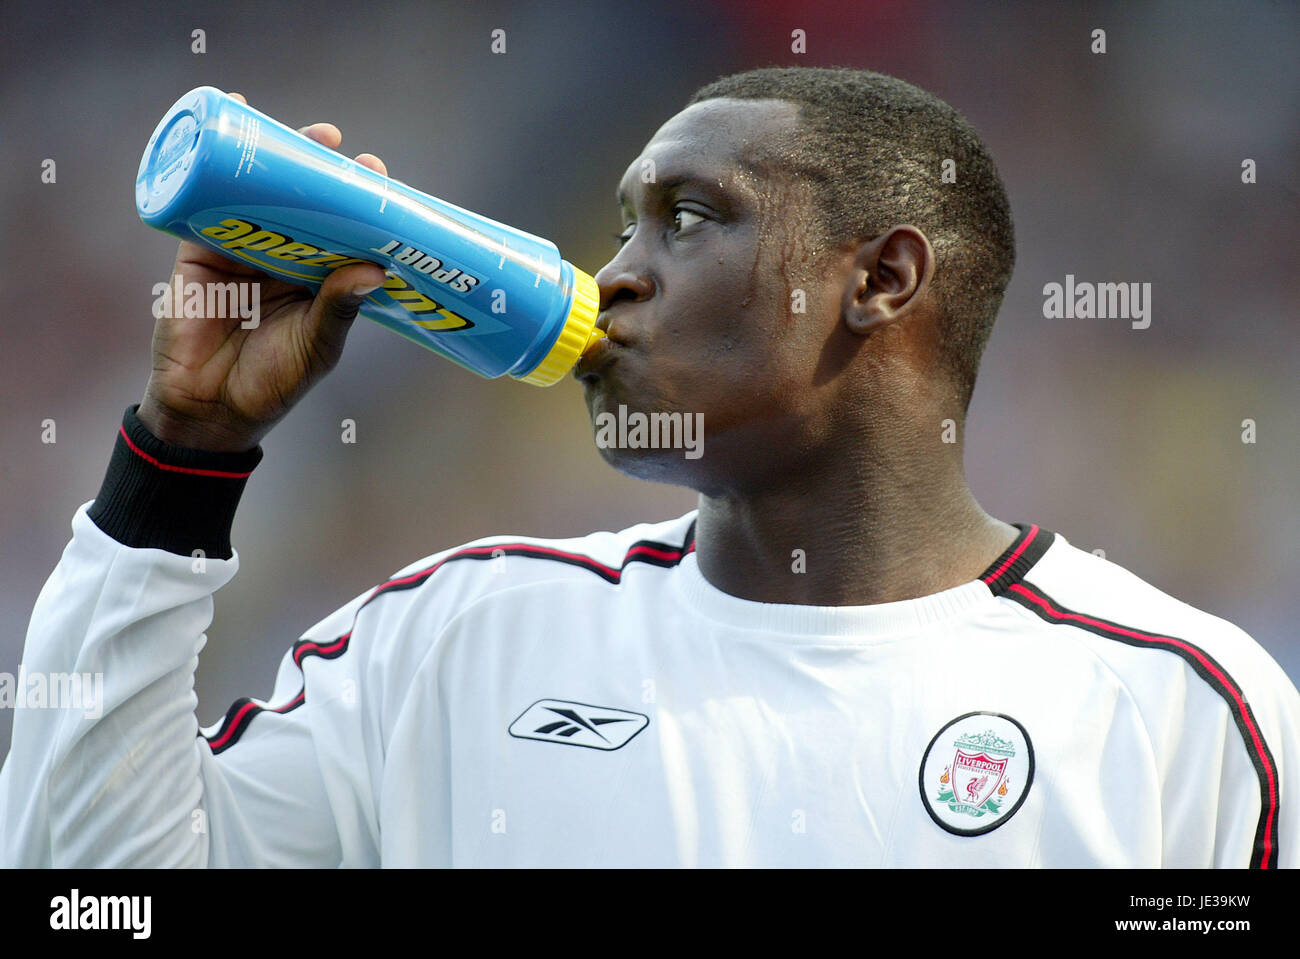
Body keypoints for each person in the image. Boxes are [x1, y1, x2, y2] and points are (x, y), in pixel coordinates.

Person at [1, 66, 1295, 867]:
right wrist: (182, 454)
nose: (613, 271)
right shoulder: (453, 642)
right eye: (623, 218)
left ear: (883, 278)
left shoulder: (1179, 711)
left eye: (688, 217)